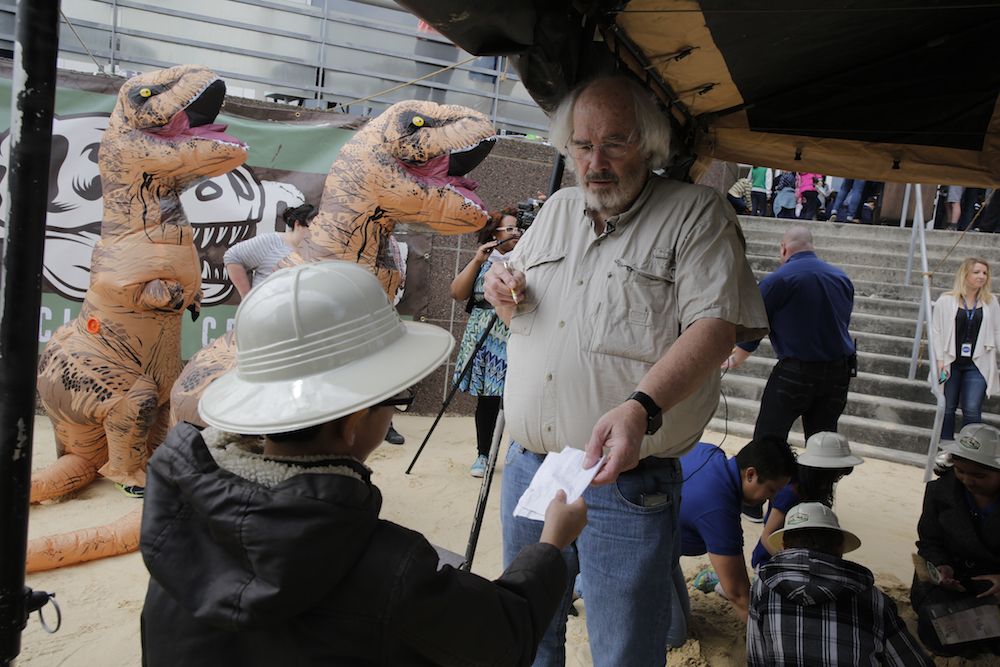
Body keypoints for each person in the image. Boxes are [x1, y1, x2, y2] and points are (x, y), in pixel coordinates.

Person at [139, 260, 588, 667]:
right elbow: (504, 637)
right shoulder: (391, 568)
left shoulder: (179, 529)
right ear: (355, 421)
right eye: (395, 398)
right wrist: (550, 546)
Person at [483, 75, 768, 666]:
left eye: (616, 143)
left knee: (624, 651)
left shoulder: (697, 213)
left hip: (625, 481)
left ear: (651, 145)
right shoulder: (558, 210)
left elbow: (716, 328)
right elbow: (513, 288)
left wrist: (641, 408)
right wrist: (500, 284)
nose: (596, 162)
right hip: (532, 467)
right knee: (526, 631)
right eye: (583, 145)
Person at [749, 503, 933, 666]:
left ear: (783, 546)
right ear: (840, 546)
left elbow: (757, 658)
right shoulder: (875, 601)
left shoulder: (762, 590)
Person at [725, 226, 855, 444]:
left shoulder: (778, 280)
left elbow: (755, 325)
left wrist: (736, 357)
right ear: (811, 246)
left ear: (783, 249)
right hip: (839, 371)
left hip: (796, 372)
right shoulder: (841, 277)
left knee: (768, 440)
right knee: (823, 443)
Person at [668, 437, 796, 647]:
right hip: (637, 547)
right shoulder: (719, 509)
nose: (771, 499)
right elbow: (738, 594)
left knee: (682, 614)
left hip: (663, 546)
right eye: (771, 490)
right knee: (675, 634)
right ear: (751, 474)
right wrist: (772, 645)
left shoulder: (710, 453)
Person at [912, 423, 1000, 658]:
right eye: (961, 471)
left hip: (993, 586)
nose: (968, 480)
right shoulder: (939, 492)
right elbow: (929, 541)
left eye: (980, 475)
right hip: (952, 582)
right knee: (936, 630)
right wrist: (941, 566)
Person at [451, 208, 522, 476]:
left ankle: (519, 454)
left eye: (519, 229)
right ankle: (483, 454)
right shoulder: (485, 260)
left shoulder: (525, 259)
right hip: (484, 336)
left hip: (514, 332)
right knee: (489, 397)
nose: (516, 234)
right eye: (510, 229)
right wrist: (477, 259)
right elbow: (457, 292)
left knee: (518, 397)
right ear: (495, 234)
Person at [751, 431, 863, 568]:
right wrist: (791, 564)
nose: (837, 478)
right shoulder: (791, 493)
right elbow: (767, 535)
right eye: (836, 473)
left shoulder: (816, 489)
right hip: (773, 561)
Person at [931, 257, 1000, 441]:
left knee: (972, 408)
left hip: (977, 364)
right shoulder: (946, 300)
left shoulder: (991, 301)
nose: (981, 276)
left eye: (985, 273)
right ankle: (944, 447)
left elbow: (997, 330)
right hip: (950, 362)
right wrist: (940, 360)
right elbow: (936, 331)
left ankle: (969, 451)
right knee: (947, 408)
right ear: (965, 274)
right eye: (976, 272)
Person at [223, 202, 316, 298]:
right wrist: (247, 297)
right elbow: (233, 256)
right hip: (267, 305)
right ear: (298, 224)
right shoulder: (271, 242)